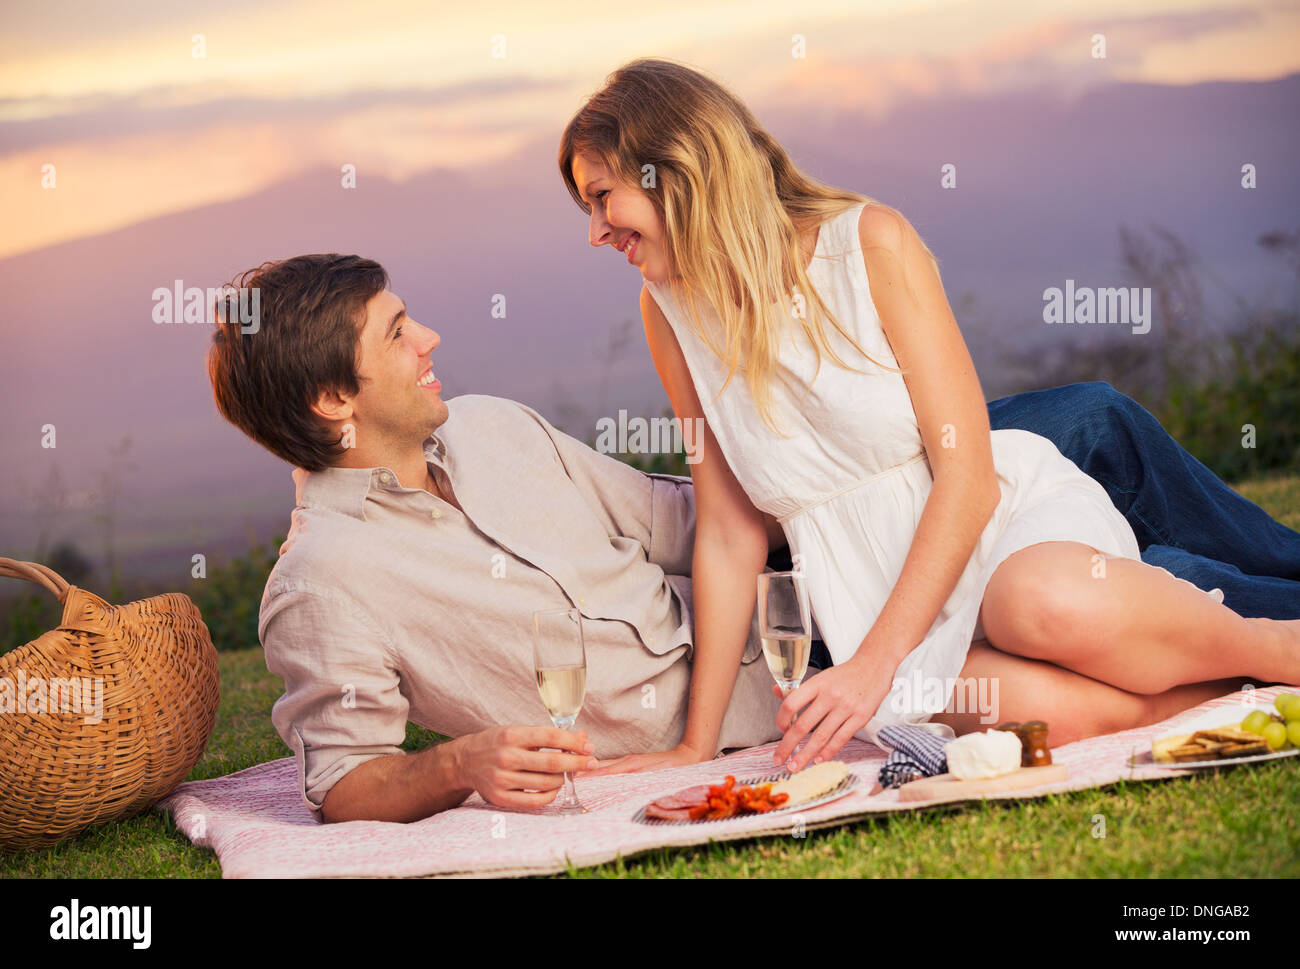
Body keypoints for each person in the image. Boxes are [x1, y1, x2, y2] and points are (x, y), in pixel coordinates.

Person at [208, 252, 1298, 824]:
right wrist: (456, 764)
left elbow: (678, 521)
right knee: (1103, 605)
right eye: (398, 333)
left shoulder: (490, 429)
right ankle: (1260, 629)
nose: (430, 336)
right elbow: (341, 783)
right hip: (787, 679)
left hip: (789, 566)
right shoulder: (324, 584)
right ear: (331, 402)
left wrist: (827, 471)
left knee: (1082, 421)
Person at [558, 57, 1300, 778]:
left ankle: (1276, 647)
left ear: (678, 167)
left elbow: (969, 476)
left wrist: (873, 666)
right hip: (867, 603)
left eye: (602, 197)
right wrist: (697, 743)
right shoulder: (668, 313)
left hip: (995, 532)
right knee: (1046, 714)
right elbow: (728, 529)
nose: (595, 232)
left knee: (1039, 605)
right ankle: (1236, 697)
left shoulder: (869, 243)